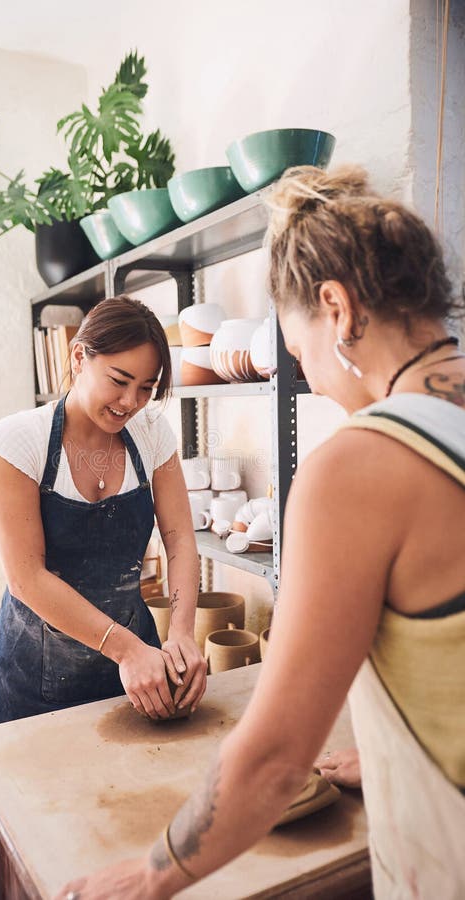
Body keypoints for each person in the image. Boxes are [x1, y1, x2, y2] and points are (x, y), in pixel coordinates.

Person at [57, 164, 465, 899]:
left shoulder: (361, 465)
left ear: (336, 309)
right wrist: (394, 751)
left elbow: (277, 757)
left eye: (299, 350)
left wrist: (154, 877)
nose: (306, 373)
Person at [0, 295, 207, 726]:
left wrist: (180, 633)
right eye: (119, 380)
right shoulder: (17, 441)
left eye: (146, 387)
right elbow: (26, 578)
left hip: (139, 668)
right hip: (34, 679)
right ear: (79, 356)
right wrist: (125, 649)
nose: (130, 401)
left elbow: (179, 540)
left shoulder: (151, 432)